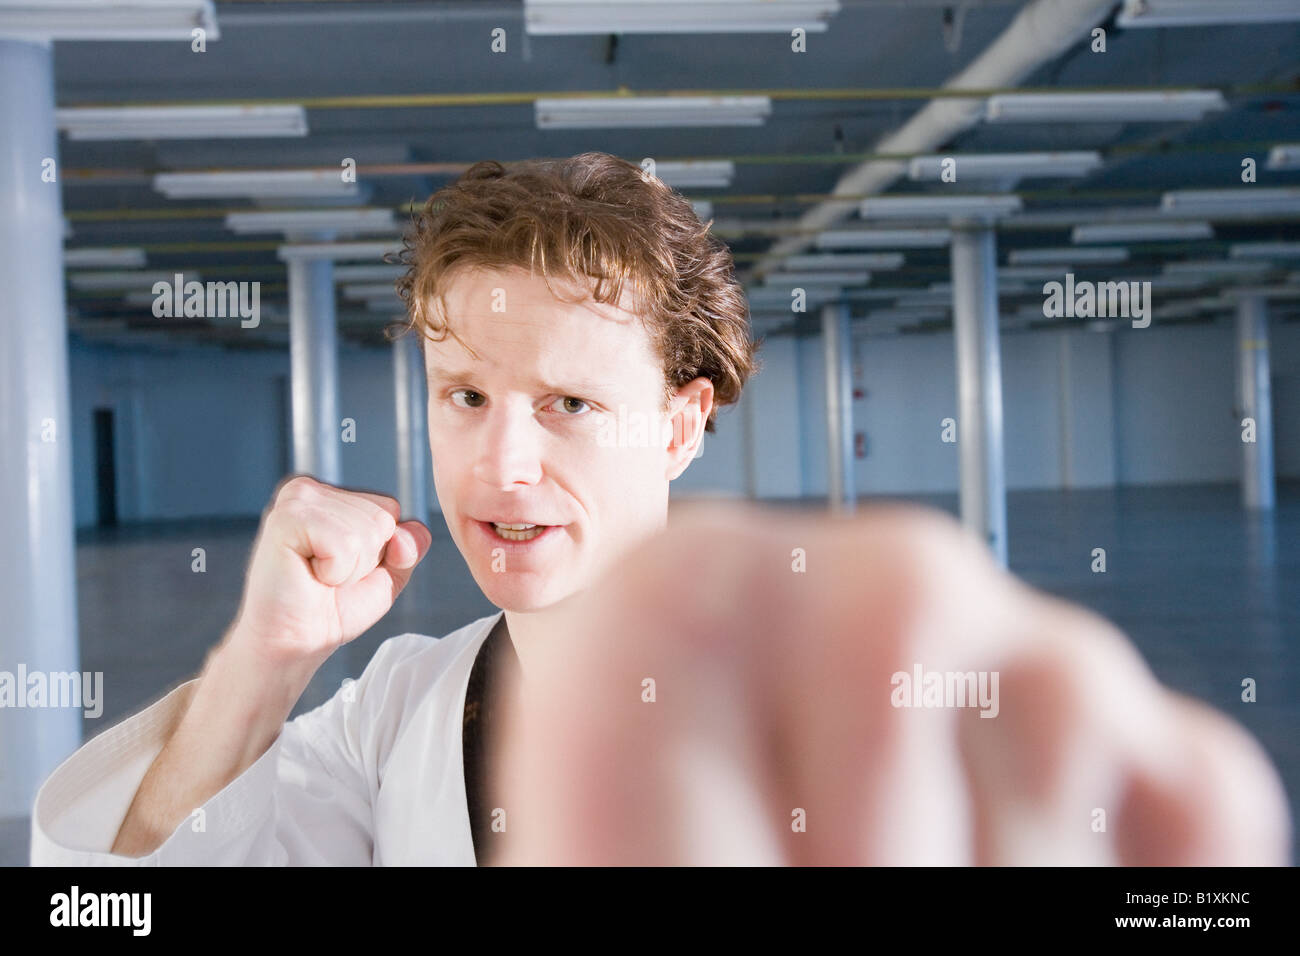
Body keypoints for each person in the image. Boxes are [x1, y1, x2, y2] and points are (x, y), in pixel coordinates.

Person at [30, 152, 1289, 866]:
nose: (501, 464)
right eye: (463, 393)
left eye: (568, 401)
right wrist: (267, 657)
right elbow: (105, 902)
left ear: (680, 424)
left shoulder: (844, 718)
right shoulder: (401, 707)